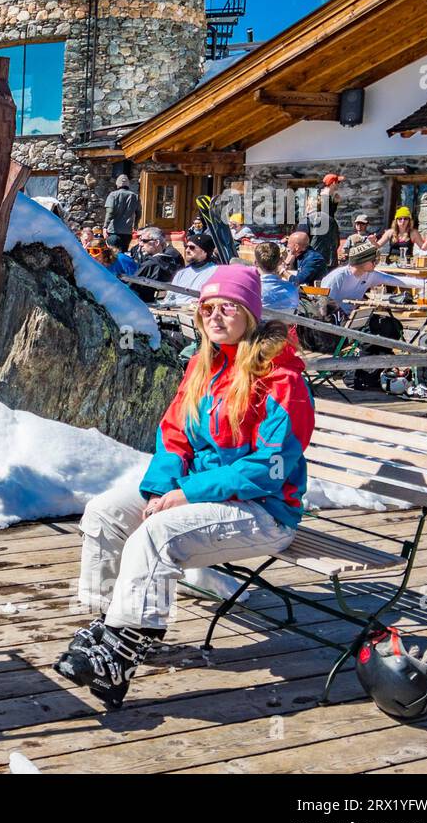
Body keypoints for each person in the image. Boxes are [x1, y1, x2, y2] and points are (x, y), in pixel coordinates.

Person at [54, 266, 314, 709]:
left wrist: (188, 494)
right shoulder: (203, 366)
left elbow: (269, 467)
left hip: (265, 510)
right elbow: (173, 434)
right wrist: (161, 489)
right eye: (207, 308)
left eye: (227, 307)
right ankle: (108, 625)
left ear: (250, 313)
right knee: (105, 512)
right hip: (203, 494)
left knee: (158, 534)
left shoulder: (280, 378)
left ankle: (121, 647)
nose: (215, 316)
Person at [322, 238, 427, 311]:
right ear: (362, 261)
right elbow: (325, 306)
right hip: (336, 323)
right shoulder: (338, 277)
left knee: (390, 327)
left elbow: (396, 280)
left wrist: (425, 283)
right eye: (374, 260)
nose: (376, 263)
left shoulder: (369, 274)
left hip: (354, 319)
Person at [129, 227, 184, 302]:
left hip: (146, 305)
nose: (140, 244)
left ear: (156, 243)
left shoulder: (150, 265)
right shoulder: (172, 261)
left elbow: (131, 287)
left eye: (144, 241)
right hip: (168, 303)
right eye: (140, 240)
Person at [164, 230, 218, 306]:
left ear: (204, 251)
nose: (187, 250)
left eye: (192, 247)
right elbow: (169, 298)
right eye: (186, 247)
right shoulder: (181, 273)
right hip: (174, 311)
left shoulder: (216, 272)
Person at [254, 241, 299, 313]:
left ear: (256, 263)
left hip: (261, 323)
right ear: (280, 261)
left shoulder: (253, 289)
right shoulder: (292, 289)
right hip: (285, 323)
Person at [103, 174, 141, 252]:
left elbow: (110, 212)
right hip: (127, 232)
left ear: (117, 184)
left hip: (113, 231)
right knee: (123, 253)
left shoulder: (113, 195)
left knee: (112, 255)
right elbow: (139, 212)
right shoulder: (135, 196)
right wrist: (136, 225)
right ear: (128, 184)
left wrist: (105, 227)